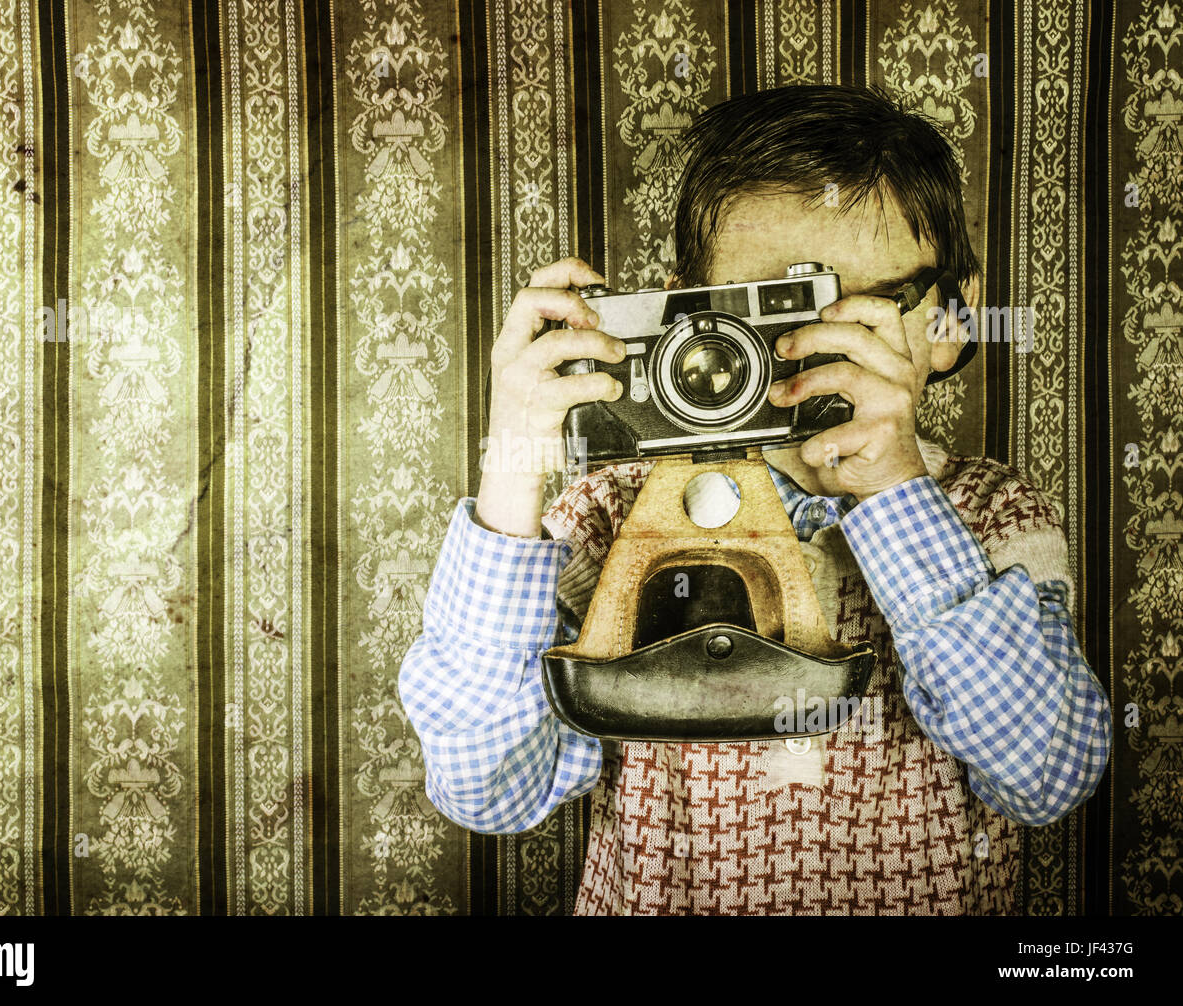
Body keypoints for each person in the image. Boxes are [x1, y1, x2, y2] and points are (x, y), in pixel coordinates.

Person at [398, 85, 1111, 914]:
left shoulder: (992, 515)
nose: (814, 352)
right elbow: (490, 791)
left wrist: (896, 495)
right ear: (685, 320)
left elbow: (1049, 775)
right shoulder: (610, 514)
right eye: (764, 313)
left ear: (952, 319)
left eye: (862, 311)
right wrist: (515, 464)